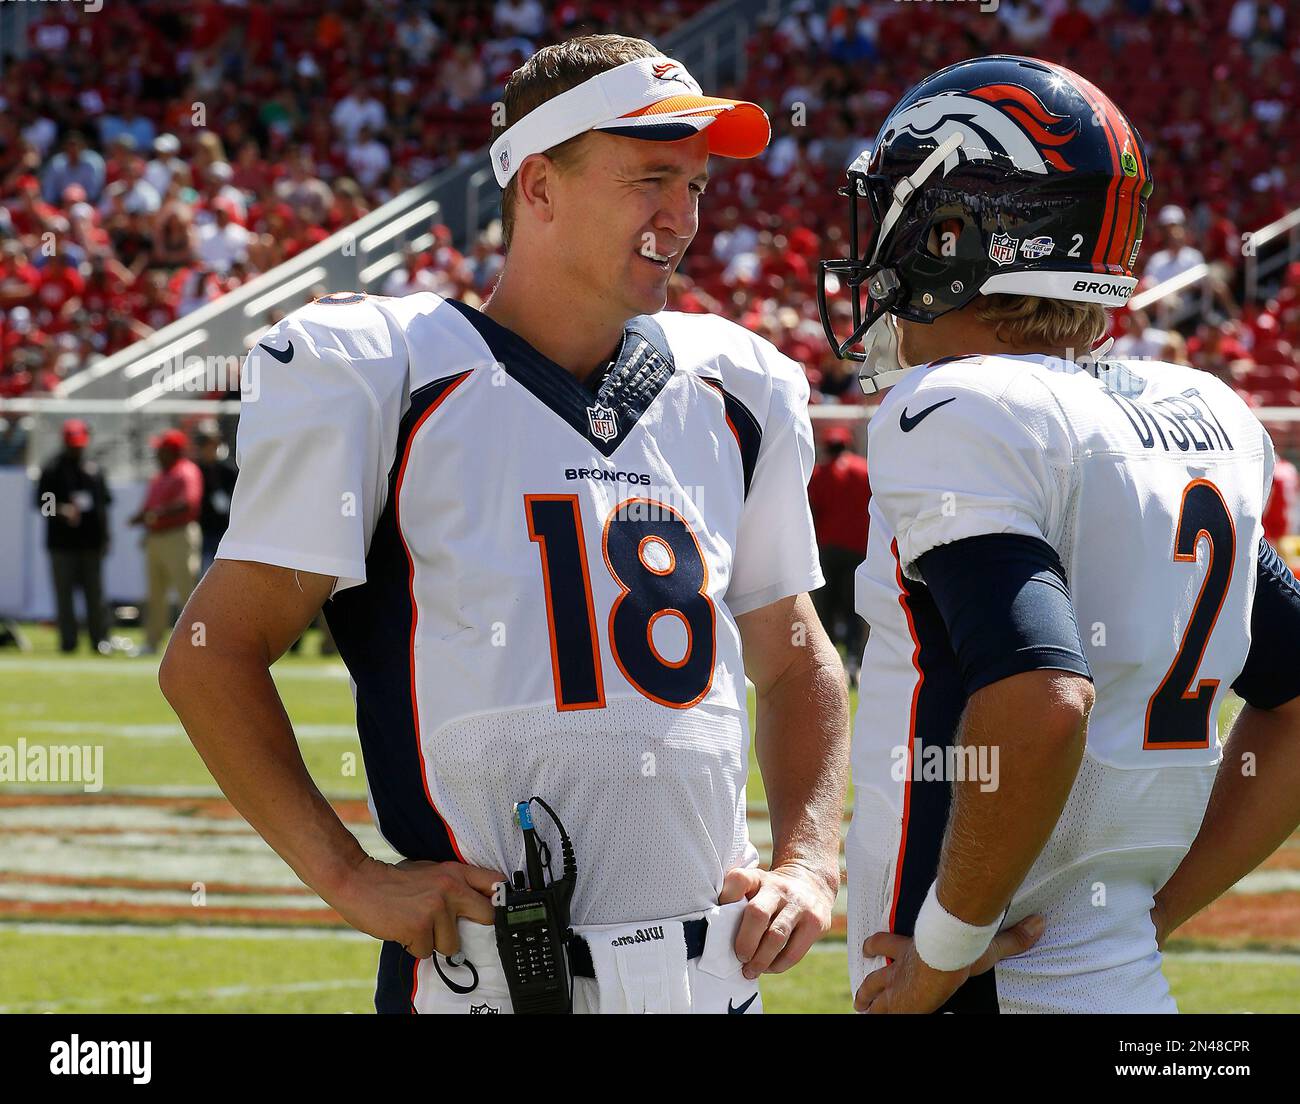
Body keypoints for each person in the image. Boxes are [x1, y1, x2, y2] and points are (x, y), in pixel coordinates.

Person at [160, 34, 849, 1015]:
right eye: (651, 178)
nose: (681, 217)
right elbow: (209, 651)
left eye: (695, 187)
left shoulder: (734, 385)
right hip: (486, 979)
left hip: (710, 978)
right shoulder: (386, 369)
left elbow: (794, 659)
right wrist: (348, 878)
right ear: (537, 186)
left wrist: (811, 862)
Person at [818, 54, 1300, 1013]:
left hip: (986, 991)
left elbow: (1042, 696)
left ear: (954, 233)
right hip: (1122, 987)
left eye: (902, 218)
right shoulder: (1199, 408)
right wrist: (1149, 916)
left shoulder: (961, 404)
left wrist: (947, 950)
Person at [35, 419, 112, 653]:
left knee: (95, 596)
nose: (76, 450)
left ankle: (99, 640)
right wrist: (62, 510)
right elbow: (42, 505)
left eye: (79, 445)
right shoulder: (52, 470)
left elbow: (103, 506)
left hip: (91, 543)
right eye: (72, 445)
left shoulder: (94, 469)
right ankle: (68, 642)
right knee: (64, 596)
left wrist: (106, 537)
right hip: (62, 545)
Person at [807, 424, 870, 683]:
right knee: (854, 610)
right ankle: (854, 662)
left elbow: (811, 511)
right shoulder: (865, 470)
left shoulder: (819, 474)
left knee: (826, 611)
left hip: (828, 552)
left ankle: (829, 665)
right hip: (858, 550)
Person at [131, 429, 202, 654]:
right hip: (157, 537)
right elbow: (150, 508)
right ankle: (151, 642)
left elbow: (187, 504)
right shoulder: (160, 475)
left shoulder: (186, 472)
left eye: (160, 449)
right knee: (155, 595)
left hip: (178, 536)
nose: (156, 453)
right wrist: (143, 519)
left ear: (172, 451)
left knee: (187, 592)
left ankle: (197, 644)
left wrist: (156, 515)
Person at [193, 421, 238, 576]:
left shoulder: (228, 470)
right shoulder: (196, 471)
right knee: (202, 573)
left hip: (225, 530)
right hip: (203, 530)